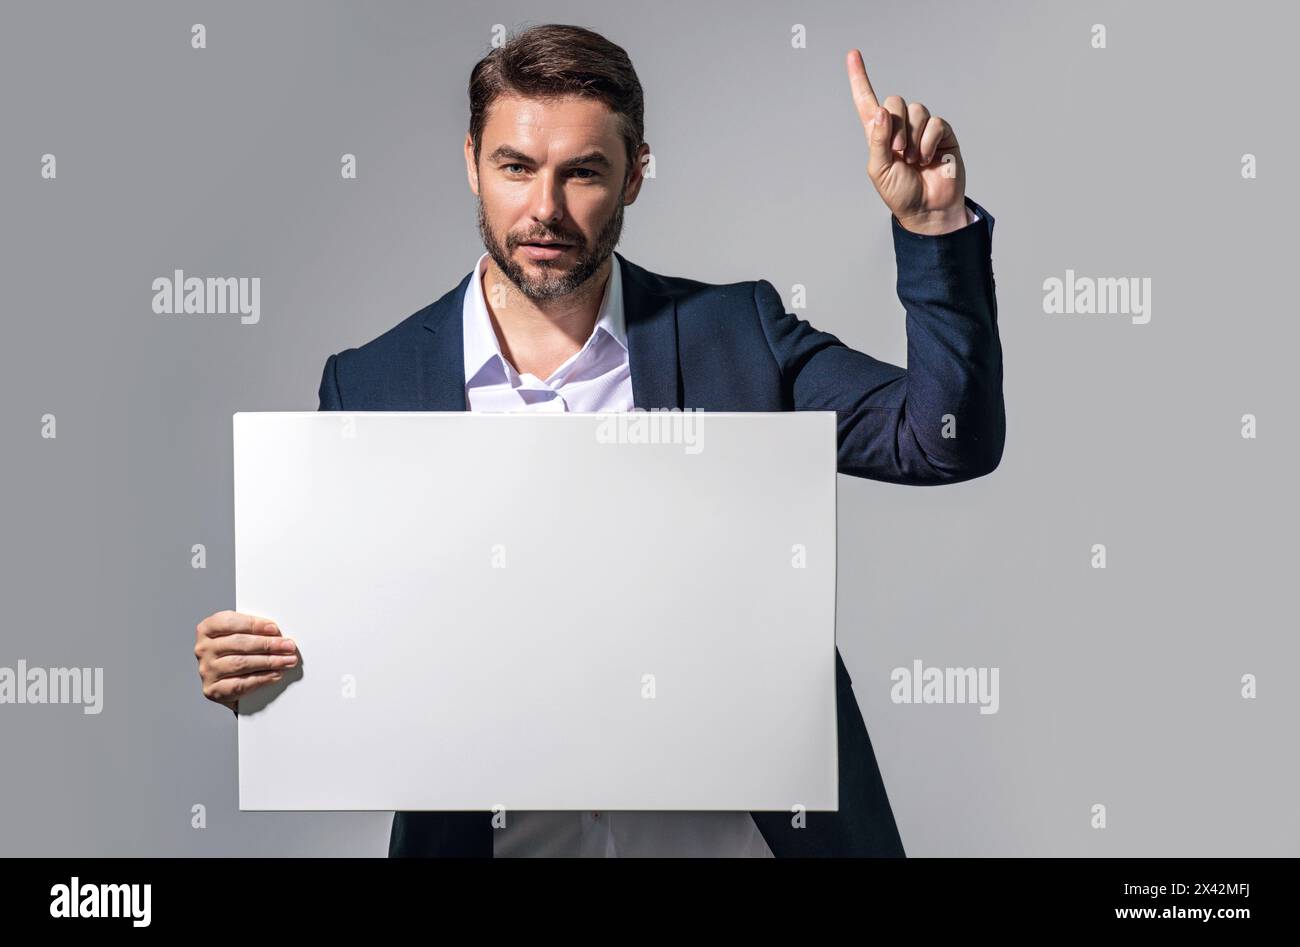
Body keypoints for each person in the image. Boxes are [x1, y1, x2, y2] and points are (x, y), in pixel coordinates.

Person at [194, 23, 1004, 857]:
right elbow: (357, 642)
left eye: (582, 172)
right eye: (516, 167)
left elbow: (944, 440)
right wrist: (257, 669)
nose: (544, 208)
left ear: (635, 175)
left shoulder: (738, 335)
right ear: (471, 161)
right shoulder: (370, 386)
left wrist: (934, 225)